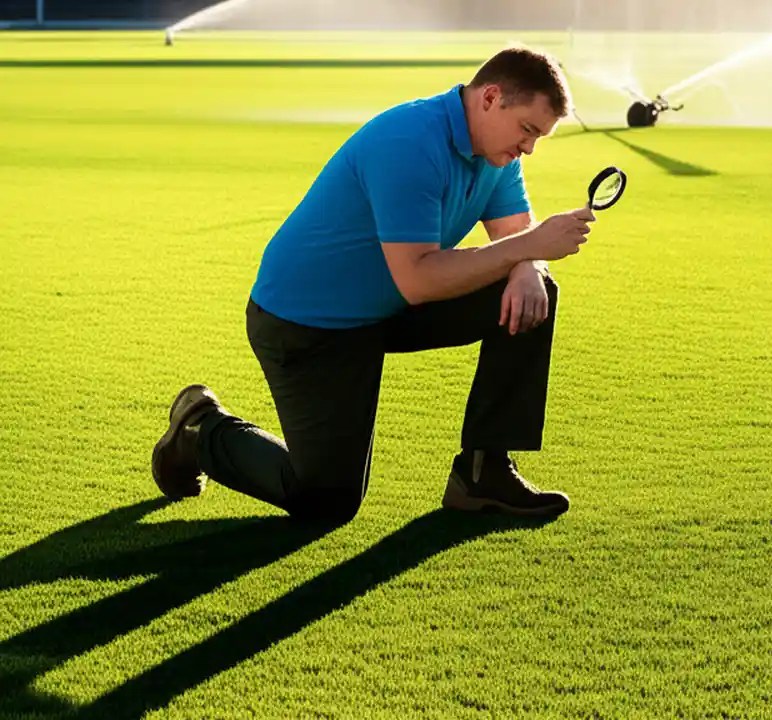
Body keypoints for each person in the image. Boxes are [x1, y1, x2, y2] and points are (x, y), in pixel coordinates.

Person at [150, 47, 594, 524]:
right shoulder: (410, 141)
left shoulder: (497, 155)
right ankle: (200, 429)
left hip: (385, 308)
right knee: (326, 503)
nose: (528, 148)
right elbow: (419, 279)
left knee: (533, 292)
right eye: (528, 130)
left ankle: (484, 474)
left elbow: (514, 236)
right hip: (309, 326)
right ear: (490, 98)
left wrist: (529, 261)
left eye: (538, 138)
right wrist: (528, 250)